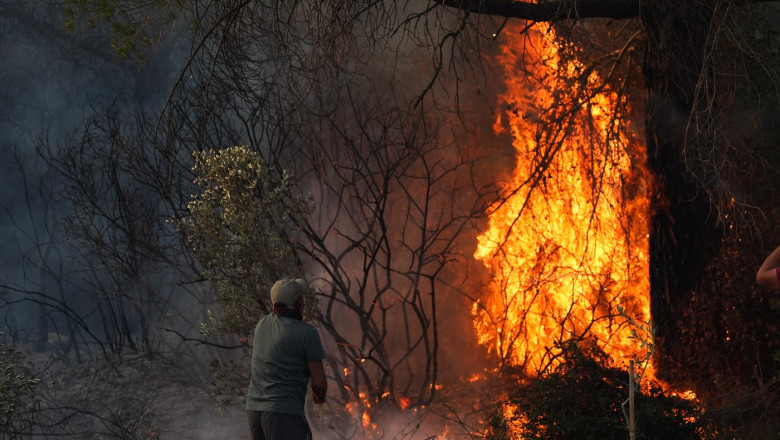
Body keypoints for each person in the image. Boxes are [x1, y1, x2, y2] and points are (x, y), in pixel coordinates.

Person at [247, 278, 327, 440]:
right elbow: (319, 383)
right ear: (298, 304)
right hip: (284, 415)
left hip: (255, 413)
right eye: (301, 298)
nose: (303, 301)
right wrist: (319, 398)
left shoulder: (262, 325)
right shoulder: (307, 333)